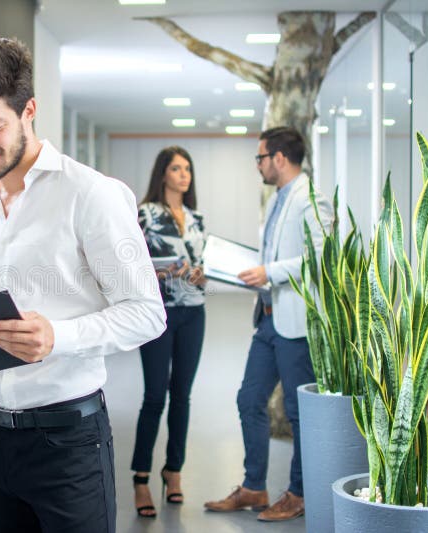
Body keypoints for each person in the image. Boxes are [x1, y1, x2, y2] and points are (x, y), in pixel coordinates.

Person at [0, 37, 166, 533]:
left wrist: (57, 338)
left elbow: (147, 311)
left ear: (29, 111)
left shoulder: (91, 195)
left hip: (69, 441)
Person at [203, 126, 331, 522]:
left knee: (297, 413)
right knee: (249, 399)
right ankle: (254, 487)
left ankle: (298, 493)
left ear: (279, 158)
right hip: (269, 320)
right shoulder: (278, 200)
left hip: (296, 323)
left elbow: (320, 255)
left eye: (260, 157)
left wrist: (269, 272)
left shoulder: (311, 199)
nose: (257, 164)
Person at [131, 146, 207, 518]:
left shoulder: (196, 218)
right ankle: (141, 477)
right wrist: (165, 273)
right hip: (158, 315)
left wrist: (198, 274)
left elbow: (201, 266)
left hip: (194, 312)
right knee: (154, 397)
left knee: (183, 397)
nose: (184, 174)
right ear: (163, 173)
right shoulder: (144, 214)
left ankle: (172, 471)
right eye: (177, 168)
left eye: (187, 168)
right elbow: (133, 266)